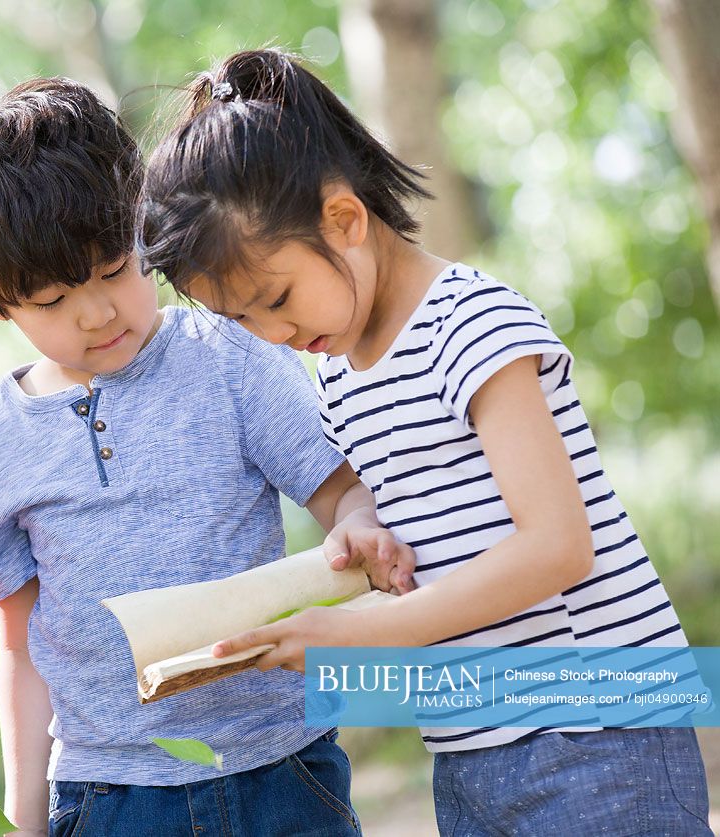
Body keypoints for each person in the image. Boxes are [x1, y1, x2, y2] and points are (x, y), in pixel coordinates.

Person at [137, 48, 712, 834]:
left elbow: (556, 548)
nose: (274, 332)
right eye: (244, 321)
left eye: (275, 298)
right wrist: (360, 526)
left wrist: (360, 633)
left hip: (596, 730)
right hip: (469, 743)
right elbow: (425, 514)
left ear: (344, 219)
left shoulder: (469, 323)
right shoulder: (338, 372)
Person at [0, 77, 416, 837]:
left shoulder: (231, 352)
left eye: (114, 267)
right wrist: (24, 822)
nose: (97, 312)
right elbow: (22, 650)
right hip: (107, 792)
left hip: (275, 769)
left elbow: (342, 492)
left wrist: (357, 526)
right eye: (51, 301)